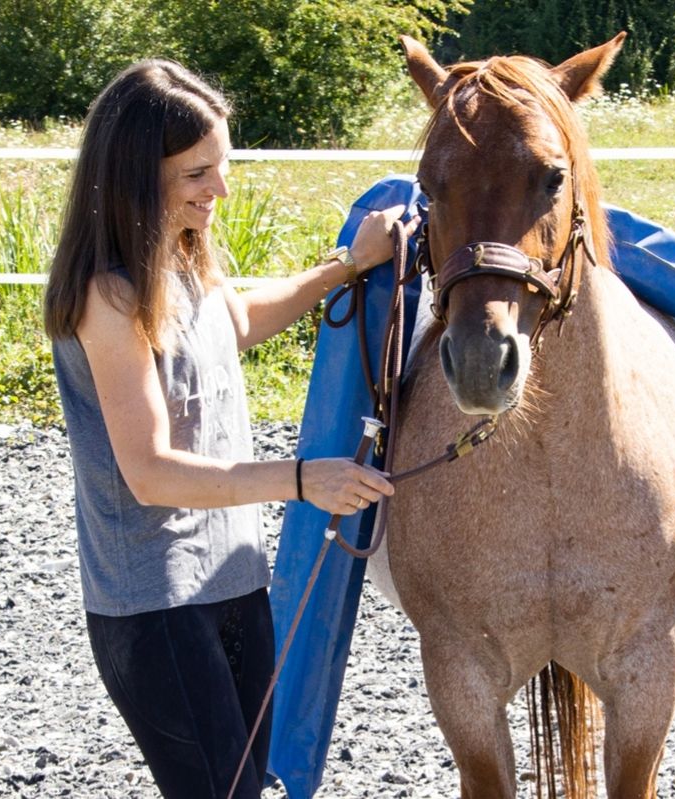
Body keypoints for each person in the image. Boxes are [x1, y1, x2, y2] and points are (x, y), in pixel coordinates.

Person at [43, 59, 405, 798]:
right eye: (197, 173)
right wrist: (303, 480)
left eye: (223, 165)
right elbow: (150, 471)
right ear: (137, 174)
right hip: (155, 604)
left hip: (234, 578)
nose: (221, 189)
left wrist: (347, 265)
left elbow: (237, 320)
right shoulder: (107, 296)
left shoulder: (183, 254)